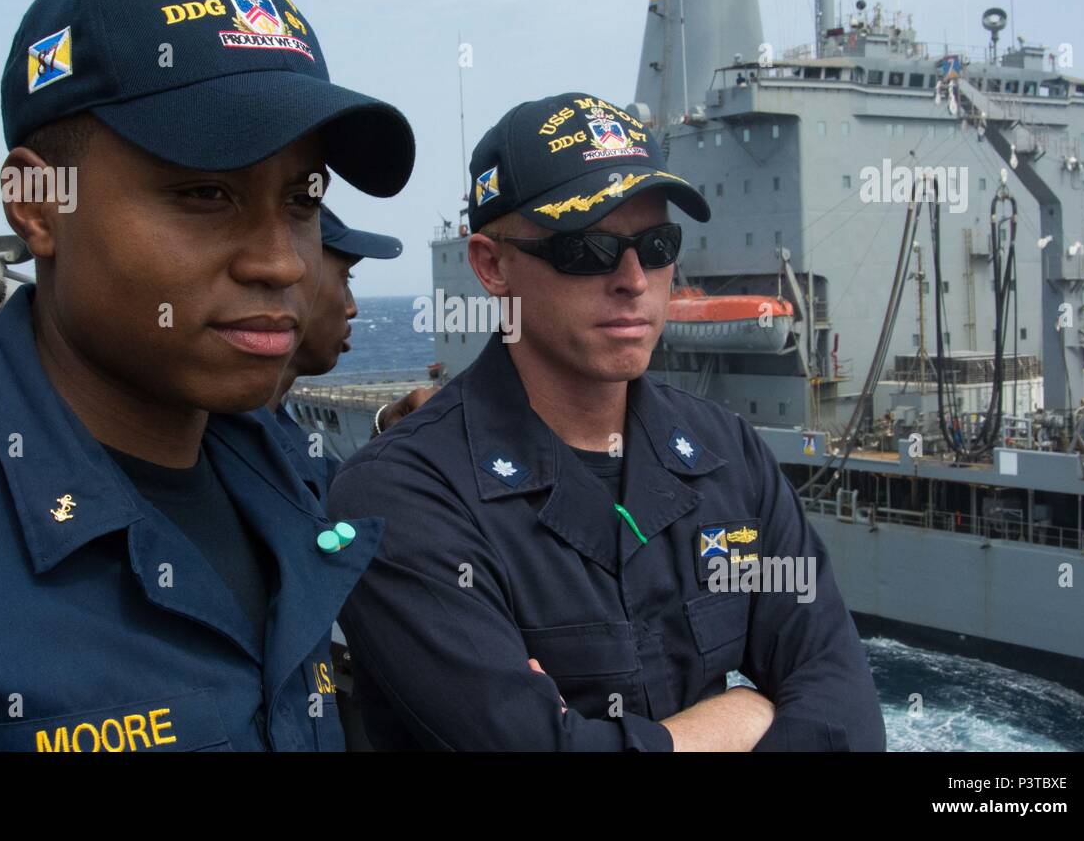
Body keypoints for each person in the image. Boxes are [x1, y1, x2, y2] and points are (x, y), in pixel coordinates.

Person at [0, 0, 414, 751]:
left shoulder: (275, 467)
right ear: (36, 205)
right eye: (207, 193)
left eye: (303, 200)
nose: (281, 261)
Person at [330, 92, 886, 751]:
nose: (633, 279)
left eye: (657, 245)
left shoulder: (727, 454)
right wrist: (734, 721)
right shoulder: (403, 497)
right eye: (585, 249)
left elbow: (841, 707)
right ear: (491, 265)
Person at [256, 205, 404, 504]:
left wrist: (383, 428)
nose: (352, 308)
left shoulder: (270, 435)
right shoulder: (245, 451)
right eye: (344, 279)